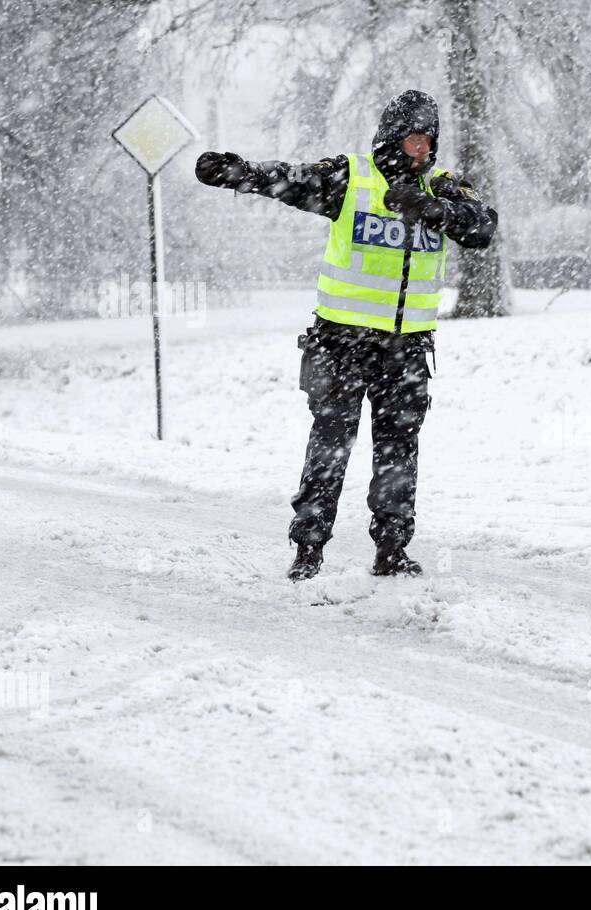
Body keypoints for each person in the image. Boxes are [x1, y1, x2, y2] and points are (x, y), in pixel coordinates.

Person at [195, 89, 497, 581]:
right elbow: (291, 179)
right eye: (413, 139)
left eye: (428, 140)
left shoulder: (443, 187)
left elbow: (482, 227)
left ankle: (392, 549)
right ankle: (308, 549)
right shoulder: (350, 177)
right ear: (392, 138)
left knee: (398, 452)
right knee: (330, 446)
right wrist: (242, 172)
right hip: (342, 344)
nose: (421, 149)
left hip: (407, 349)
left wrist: (431, 209)